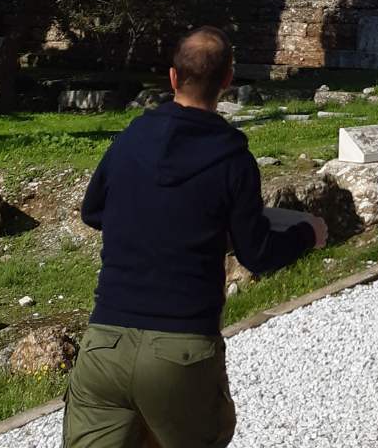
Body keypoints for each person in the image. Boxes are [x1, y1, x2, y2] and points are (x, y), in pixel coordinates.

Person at [64, 27, 326, 448]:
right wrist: (307, 234)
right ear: (227, 80)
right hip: (180, 346)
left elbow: (93, 211)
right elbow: (256, 252)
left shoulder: (130, 138)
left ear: (172, 77)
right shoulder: (232, 159)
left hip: (105, 339)